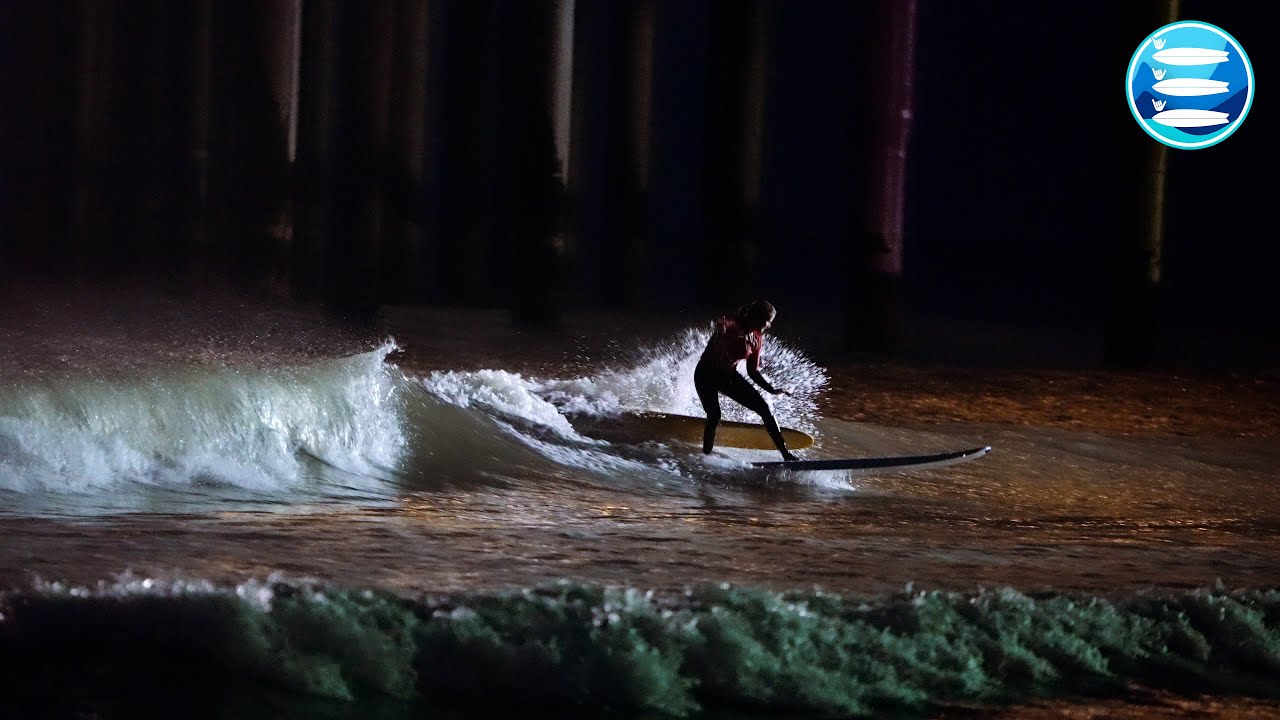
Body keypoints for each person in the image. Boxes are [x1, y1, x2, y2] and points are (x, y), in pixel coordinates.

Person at [695, 299, 797, 461]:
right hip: (705, 375)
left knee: (765, 409)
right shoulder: (733, 323)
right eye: (767, 322)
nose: (768, 326)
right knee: (715, 415)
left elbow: (753, 371)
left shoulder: (757, 339)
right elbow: (720, 321)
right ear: (755, 317)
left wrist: (771, 389)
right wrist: (719, 326)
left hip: (728, 377)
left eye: (770, 323)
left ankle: (786, 455)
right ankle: (705, 458)